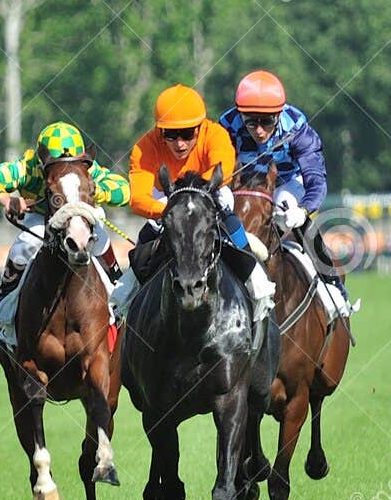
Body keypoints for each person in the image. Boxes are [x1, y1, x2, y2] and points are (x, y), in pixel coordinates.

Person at [110, 84, 274, 320]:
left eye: (188, 134)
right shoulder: (143, 148)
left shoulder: (215, 134)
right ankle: (126, 291)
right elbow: (138, 199)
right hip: (168, 200)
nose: (180, 144)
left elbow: (222, 169)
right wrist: (172, 210)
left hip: (207, 193)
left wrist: (193, 202)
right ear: (159, 131)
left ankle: (254, 276)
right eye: (170, 135)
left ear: (201, 127)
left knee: (226, 202)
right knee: (151, 232)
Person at [0, 122, 129, 349]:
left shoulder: (87, 169)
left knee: (100, 239)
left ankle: (119, 298)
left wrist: (91, 191)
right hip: (43, 220)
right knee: (25, 244)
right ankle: (5, 307)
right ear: (42, 161)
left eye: (72, 165)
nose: (66, 170)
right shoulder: (26, 167)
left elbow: (124, 188)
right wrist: (7, 199)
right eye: (56, 166)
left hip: (79, 219)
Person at [217, 70, 354, 309]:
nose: (258, 130)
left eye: (267, 121)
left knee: (288, 208)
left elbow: (316, 180)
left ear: (279, 114)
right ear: (240, 114)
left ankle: (332, 285)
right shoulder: (226, 126)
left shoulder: (298, 128)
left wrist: (303, 210)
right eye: (250, 121)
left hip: (286, 182)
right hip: (243, 187)